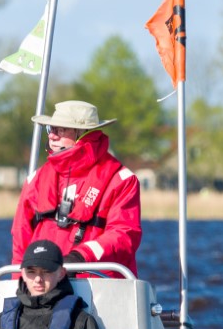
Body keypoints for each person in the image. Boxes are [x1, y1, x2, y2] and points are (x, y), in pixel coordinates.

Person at [11, 100, 142, 277]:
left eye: (61, 129)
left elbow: (124, 235)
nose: (52, 136)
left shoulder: (122, 180)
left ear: (83, 133)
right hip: (43, 286)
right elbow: (21, 239)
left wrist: (80, 257)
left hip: (98, 285)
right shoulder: (36, 180)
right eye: (50, 129)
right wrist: (19, 282)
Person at [0, 240, 105, 329]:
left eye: (46, 271)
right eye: (31, 271)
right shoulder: (1, 322)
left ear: (61, 273)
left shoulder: (80, 323)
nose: (38, 279)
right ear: (23, 273)